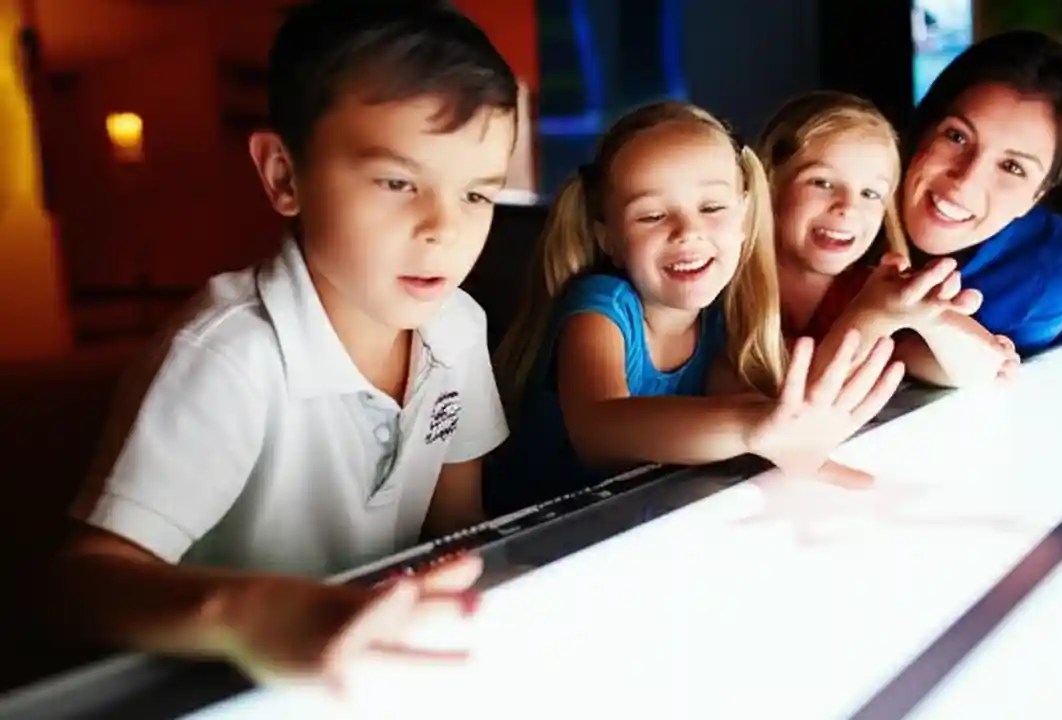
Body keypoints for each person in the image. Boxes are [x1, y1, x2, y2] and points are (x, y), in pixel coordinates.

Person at [45, 0, 515, 688]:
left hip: (374, 673)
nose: (444, 229)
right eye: (397, 182)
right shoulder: (229, 357)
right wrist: (254, 613)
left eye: (477, 195)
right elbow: (79, 587)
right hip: (225, 684)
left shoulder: (458, 325)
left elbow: (456, 527)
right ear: (283, 175)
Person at [485, 101, 904, 516]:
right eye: (651, 216)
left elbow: (757, 404)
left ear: (744, 219)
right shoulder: (602, 305)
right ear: (607, 237)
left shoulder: (719, 320)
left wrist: (779, 428)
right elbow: (599, 430)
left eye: (711, 208)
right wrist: (752, 428)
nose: (687, 231)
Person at [898, 30, 1062, 372]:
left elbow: (989, 381)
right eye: (957, 136)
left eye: (1012, 167)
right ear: (922, 130)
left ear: (1037, 196)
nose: (967, 180)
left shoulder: (1055, 267)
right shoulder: (845, 202)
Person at [758, 90, 990, 386]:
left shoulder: (871, 288)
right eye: (823, 182)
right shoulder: (729, 294)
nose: (848, 207)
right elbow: (798, 384)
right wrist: (875, 315)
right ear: (771, 183)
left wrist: (929, 318)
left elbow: (982, 370)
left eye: (870, 194)